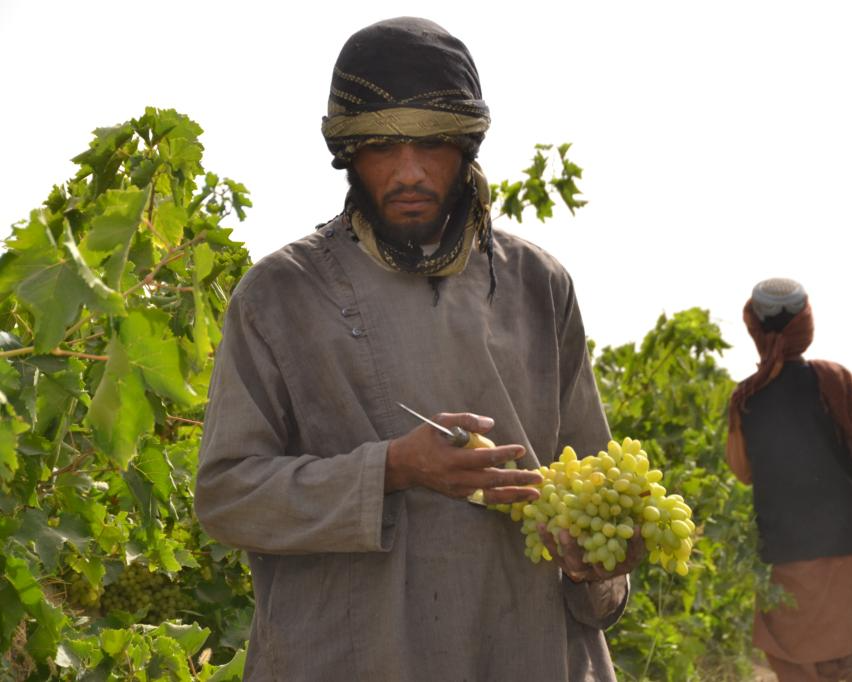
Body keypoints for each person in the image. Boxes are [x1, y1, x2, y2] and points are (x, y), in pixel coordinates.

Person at [195, 17, 639, 682]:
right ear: (347, 155)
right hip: (351, 657)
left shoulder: (537, 284)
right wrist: (391, 470)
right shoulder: (278, 295)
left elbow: (596, 486)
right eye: (380, 148)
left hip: (529, 652)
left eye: (430, 148)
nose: (408, 173)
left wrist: (599, 558)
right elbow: (228, 494)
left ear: (465, 150)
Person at [725, 278, 852, 682]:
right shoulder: (836, 380)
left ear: (754, 327)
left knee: (800, 669)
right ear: (806, 325)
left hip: (788, 568)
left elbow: (742, 472)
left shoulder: (745, 399)